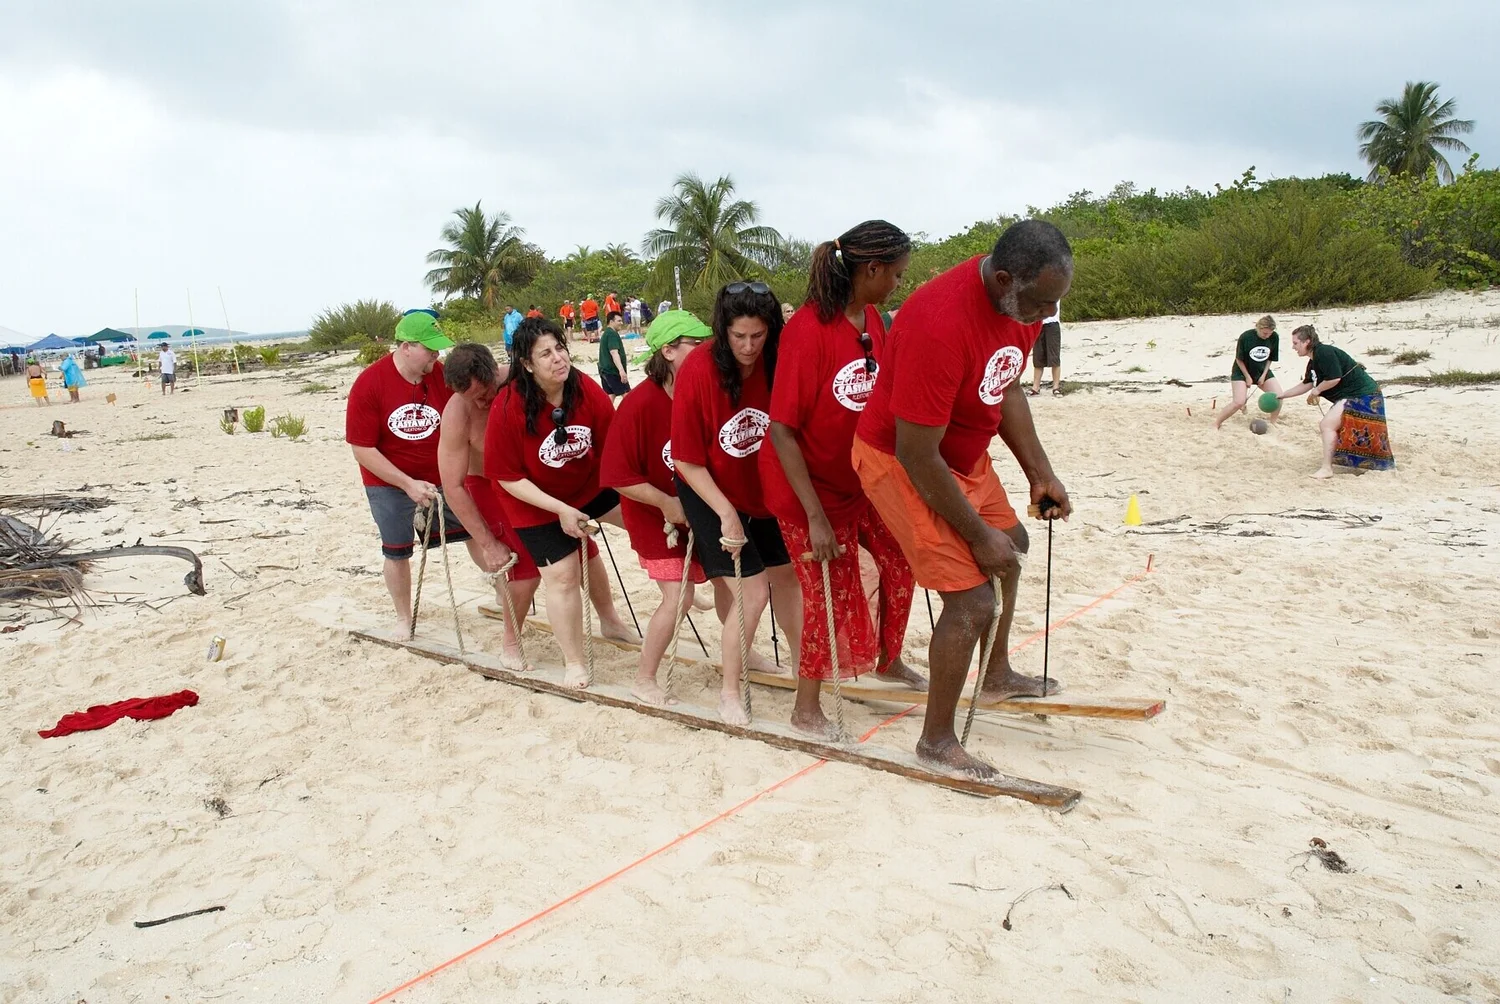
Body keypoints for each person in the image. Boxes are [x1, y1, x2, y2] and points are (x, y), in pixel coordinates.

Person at [853, 220, 1074, 779]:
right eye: (1040, 303)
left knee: (1013, 545)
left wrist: (1039, 472)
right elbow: (915, 452)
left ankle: (996, 673)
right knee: (973, 597)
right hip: (901, 458)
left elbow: (1005, 386)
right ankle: (935, 740)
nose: (1045, 315)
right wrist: (977, 534)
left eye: (1054, 303)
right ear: (1004, 280)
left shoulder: (1017, 303)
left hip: (957, 452)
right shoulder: (939, 323)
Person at [764, 220, 927, 737]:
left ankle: (887, 657)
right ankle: (805, 708)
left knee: (902, 562)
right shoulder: (806, 331)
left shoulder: (873, 317)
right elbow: (782, 431)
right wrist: (815, 517)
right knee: (828, 593)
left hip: (863, 481)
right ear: (872, 269)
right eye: (896, 274)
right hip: (807, 493)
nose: (900, 283)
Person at [672, 281, 803, 725]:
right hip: (708, 489)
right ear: (722, 331)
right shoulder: (698, 370)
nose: (748, 346)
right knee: (753, 592)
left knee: (789, 579)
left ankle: (808, 670)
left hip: (765, 489)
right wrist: (727, 513)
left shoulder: (780, 359)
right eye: (738, 336)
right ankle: (730, 691)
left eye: (758, 336)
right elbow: (687, 460)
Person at [486, 317, 634, 686]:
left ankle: (612, 622)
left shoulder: (583, 387)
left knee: (640, 518)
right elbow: (506, 477)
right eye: (546, 353)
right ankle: (574, 662)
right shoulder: (508, 406)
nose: (559, 359)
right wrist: (561, 511)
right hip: (531, 500)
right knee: (563, 574)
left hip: (586, 484)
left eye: (560, 348)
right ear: (527, 364)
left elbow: (613, 441)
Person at [599, 310, 714, 705]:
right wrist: (665, 502)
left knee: (736, 585)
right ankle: (644, 678)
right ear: (668, 351)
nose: (706, 351)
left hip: (701, 508)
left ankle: (744, 655)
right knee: (677, 598)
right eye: (695, 345)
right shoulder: (638, 405)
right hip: (652, 514)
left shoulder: (702, 390)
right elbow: (616, 475)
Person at [346, 312, 478, 634]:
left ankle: (506, 598)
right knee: (397, 550)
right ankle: (404, 618)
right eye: (430, 348)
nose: (437, 354)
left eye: (439, 348)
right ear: (406, 347)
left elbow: (468, 416)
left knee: (477, 531)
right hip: (388, 481)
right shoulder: (369, 384)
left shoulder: (442, 376)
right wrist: (406, 484)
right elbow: (362, 449)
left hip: (442, 475)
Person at [438, 343, 541, 670]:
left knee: (582, 548)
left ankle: (610, 619)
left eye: (485, 393)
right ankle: (510, 643)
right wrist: (488, 544)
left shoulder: (521, 380)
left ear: (495, 372)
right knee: (525, 567)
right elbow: (452, 486)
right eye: (473, 399)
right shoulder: (457, 412)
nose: (482, 403)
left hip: (529, 480)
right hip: (485, 483)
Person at [1277, 325, 1394, 478]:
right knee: (1330, 425)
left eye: (1295, 343)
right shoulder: (1313, 361)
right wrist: (1283, 395)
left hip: (1362, 394)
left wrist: (1318, 390)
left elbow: (1334, 378)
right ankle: (1332, 466)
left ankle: (1326, 469)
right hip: (1351, 395)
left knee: (1326, 424)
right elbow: (1307, 384)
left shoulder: (1324, 352)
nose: (1293, 347)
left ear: (1307, 341)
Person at [1213, 315, 1283, 429]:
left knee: (1279, 395)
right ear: (1258, 328)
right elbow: (1239, 359)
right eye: (1265, 333)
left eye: (1269, 333)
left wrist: (1263, 375)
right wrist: (1247, 377)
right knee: (1238, 402)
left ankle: (1273, 421)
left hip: (1261, 370)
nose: (1267, 336)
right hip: (1241, 371)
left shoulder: (1274, 337)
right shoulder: (1246, 337)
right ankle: (1216, 423)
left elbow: (1270, 358)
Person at [1028, 297, 1063, 397]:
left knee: (1054, 357)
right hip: (1038, 324)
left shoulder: (1055, 290)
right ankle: (1035, 387)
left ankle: (1056, 387)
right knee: (1038, 357)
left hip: (1052, 324)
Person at [598, 311, 631, 400]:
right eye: (619, 321)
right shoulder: (612, 334)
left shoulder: (606, 333)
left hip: (605, 370)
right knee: (628, 397)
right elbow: (614, 353)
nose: (621, 323)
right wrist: (621, 370)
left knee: (610, 396)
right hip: (613, 372)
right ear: (611, 322)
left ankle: (605, 414)